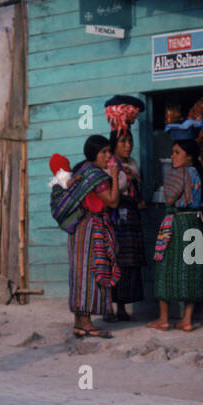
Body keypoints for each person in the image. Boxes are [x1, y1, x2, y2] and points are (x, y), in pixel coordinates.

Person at [150, 135, 203, 331]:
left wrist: (171, 175)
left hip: (178, 223)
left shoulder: (178, 173)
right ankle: (187, 320)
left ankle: (164, 318)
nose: (172, 156)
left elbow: (169, 199)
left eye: (177, 153)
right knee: (190, 269)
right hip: (195, 222)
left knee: (164, 267)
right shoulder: (197, 173)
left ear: (189, 157)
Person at [66, 135, 121, 338]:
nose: (108, 156)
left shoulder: (81, 171)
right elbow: (112, 202)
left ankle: (79, 322)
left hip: (78, 227)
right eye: (103, 152)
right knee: (91, 271)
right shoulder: (95, 175)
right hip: (92, 228)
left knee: (79, 272)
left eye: (109, 151)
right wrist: (114, 175)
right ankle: (87, 323)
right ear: (93, 154)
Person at [104, 128, 146, 323]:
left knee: (128, 264)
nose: (128, 145)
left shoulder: (133, 164)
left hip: (131, 220)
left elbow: (134, 189)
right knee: (113, 260)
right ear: (113, 145)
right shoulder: (110, 165)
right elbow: (110, 192)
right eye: (123, 141)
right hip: (115, 219)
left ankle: (121, 307)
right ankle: (107, 308)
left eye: (130, 141)